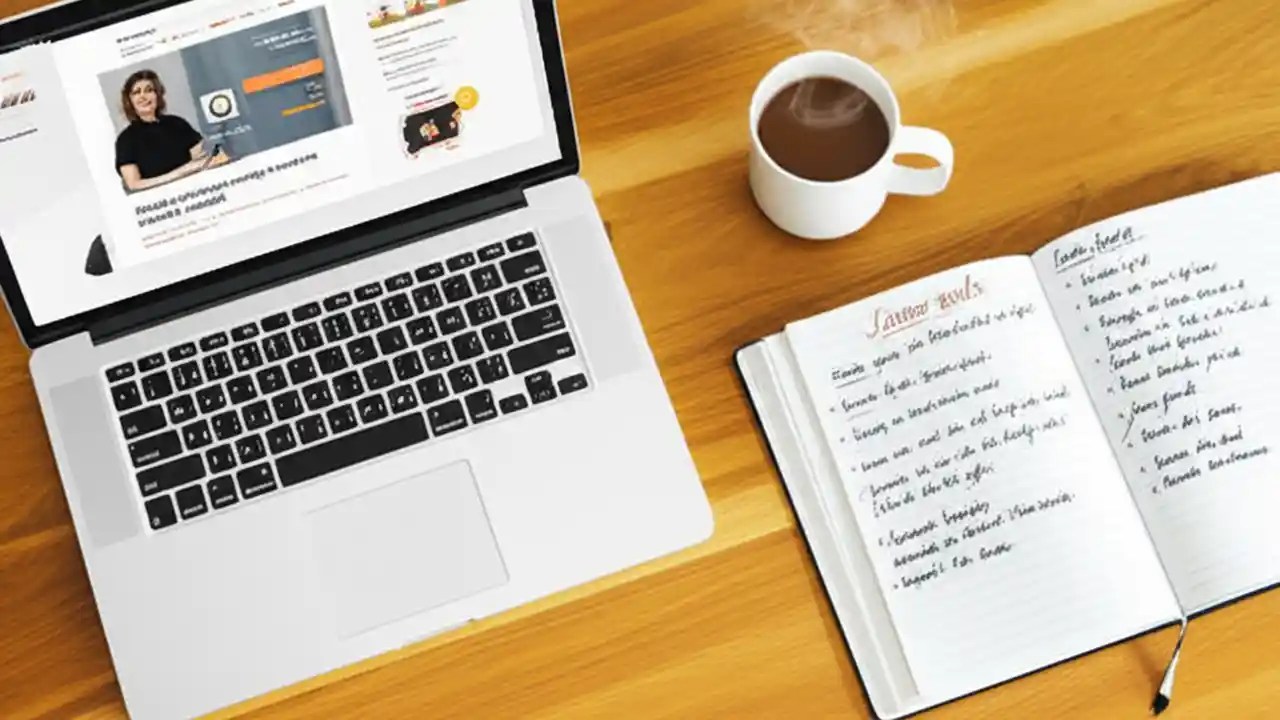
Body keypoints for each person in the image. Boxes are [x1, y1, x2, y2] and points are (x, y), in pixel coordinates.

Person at [115, 69, 229, 193]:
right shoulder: (126, 139)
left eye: (149, 90)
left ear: (158, 95)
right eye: (136, 92)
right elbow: (134, 184)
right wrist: (182, 172)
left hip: (198, 190)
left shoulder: (176, 123)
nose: (143, 96)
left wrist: (215, 148)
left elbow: (201, 157)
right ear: (129, 101)